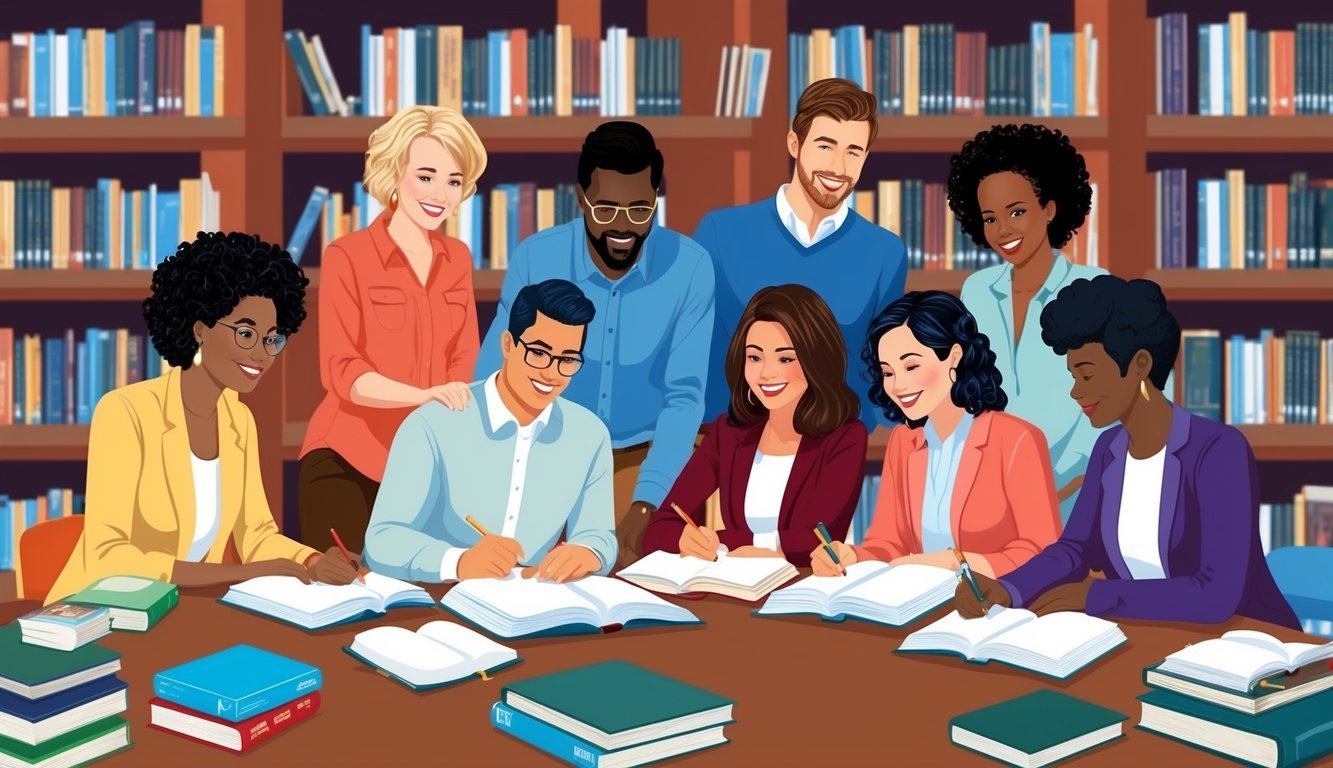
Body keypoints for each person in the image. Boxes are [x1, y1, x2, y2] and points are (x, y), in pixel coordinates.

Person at [956, 276, 1299, 628]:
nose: (1076, 392)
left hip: (1248, 644)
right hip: (1154, 634)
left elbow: (1216, 594)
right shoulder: (1110, 450)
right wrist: (1007, 589)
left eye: (1086, 376)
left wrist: (1093, 596)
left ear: (1140, 365)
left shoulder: (1218, 451)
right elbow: (1073, 549)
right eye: (1073, 376)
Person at [47, 233, 359, 604]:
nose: (262, 354)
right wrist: (239, 573)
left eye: (271, 338)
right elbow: (109, 555)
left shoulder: (238, 420)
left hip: (177, 611)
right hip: (97, 613)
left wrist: (311, 560)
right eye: (246, 333)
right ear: (199, 330)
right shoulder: (125, 412)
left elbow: (256, 534)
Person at [477, 122, 714, 570]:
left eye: (640, 210)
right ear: (581, 197)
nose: (623, 227)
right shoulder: (537, 256)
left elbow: (684, 396)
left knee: (632, 579)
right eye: (605, 209)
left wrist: (648, 502)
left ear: (656, 200)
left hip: (638, 457)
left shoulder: (690, 267)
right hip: (541, 447)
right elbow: (495, 368)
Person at [299, 105, 488, 554]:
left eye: (454, 181)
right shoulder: (346, 255)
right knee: (346, 594)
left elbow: (467, 356)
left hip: (429, 463)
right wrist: (424, 395)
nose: (440, 194)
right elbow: (342, 372)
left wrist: (449, 403)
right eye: (426, 176)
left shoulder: (457, 257)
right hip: (347, 457)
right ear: (394, 176)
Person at [364, 279, 617, 583]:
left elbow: (599, 534)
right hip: (435, 599)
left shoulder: (590, 436)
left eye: (567, 360)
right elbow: (382, 539)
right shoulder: (432, 424)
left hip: (533, 606)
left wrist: (589, 552)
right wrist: (458, 562)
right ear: (508, 344)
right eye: (538, 352)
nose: (551, 373)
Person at [694, 78, 906, 430]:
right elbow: (695, 353)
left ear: (866, 157)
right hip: (731, 446)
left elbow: (879, 371)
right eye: (825, 146)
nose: (838, 167)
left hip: (834, 451)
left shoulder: (885, 252)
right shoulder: (720, 233)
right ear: (795, 142)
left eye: (853, 151)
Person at [811, 291, 1061, 579]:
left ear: (954, 357)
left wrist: (958, 563)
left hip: (994, 604)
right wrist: (851, 556)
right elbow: (888, 544)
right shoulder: (903, 441)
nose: (898, 385)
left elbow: (1041, 552)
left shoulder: (1016, 439)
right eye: (888, 373)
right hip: (918, 602)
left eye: (911, 366)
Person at [642, 285, 867, 567]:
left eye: (785, 358)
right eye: (754, 357)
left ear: (816, 359)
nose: (766, 373)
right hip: (736, 587)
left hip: (803, 588)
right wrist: (683, 539)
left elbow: (820, 538)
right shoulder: (730, 434)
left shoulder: (845, 438)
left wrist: (729, 540)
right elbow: (661, 527)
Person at [949, 124, 1106, 524]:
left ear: (1050, 209)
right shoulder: (977, 291)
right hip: (991, 501)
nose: (1003, 231)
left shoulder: (1095, 288)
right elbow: (968, 398)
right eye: (990, 218)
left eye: (1017, 212)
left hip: (1078, 500)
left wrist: (1055, 491)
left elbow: (1120, 411)